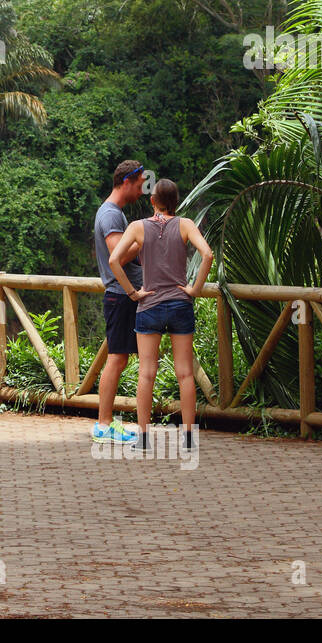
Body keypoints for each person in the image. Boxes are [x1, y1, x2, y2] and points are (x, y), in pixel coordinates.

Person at [108, 178, 214, 452]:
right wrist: (195, 289)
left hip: (149, 305)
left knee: (146, 373)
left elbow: (113, 261)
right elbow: (207, 255)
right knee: (185, 374)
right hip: (180, 304)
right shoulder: (186, 225)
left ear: (152, 201)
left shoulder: (138, 227)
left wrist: (132, 292)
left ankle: (143, 439)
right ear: (175, 201)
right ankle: (189, 439)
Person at [90, 160, 146, 442]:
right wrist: (145, 238)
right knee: (116, 358)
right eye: (139, 185)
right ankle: (103, 423)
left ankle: (106, 422)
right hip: (120, 295)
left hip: (124, 295)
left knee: (120, 358)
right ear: (126, 182)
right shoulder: (111, 215)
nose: (141, 191)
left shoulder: (115, 214)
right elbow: (118, 256)